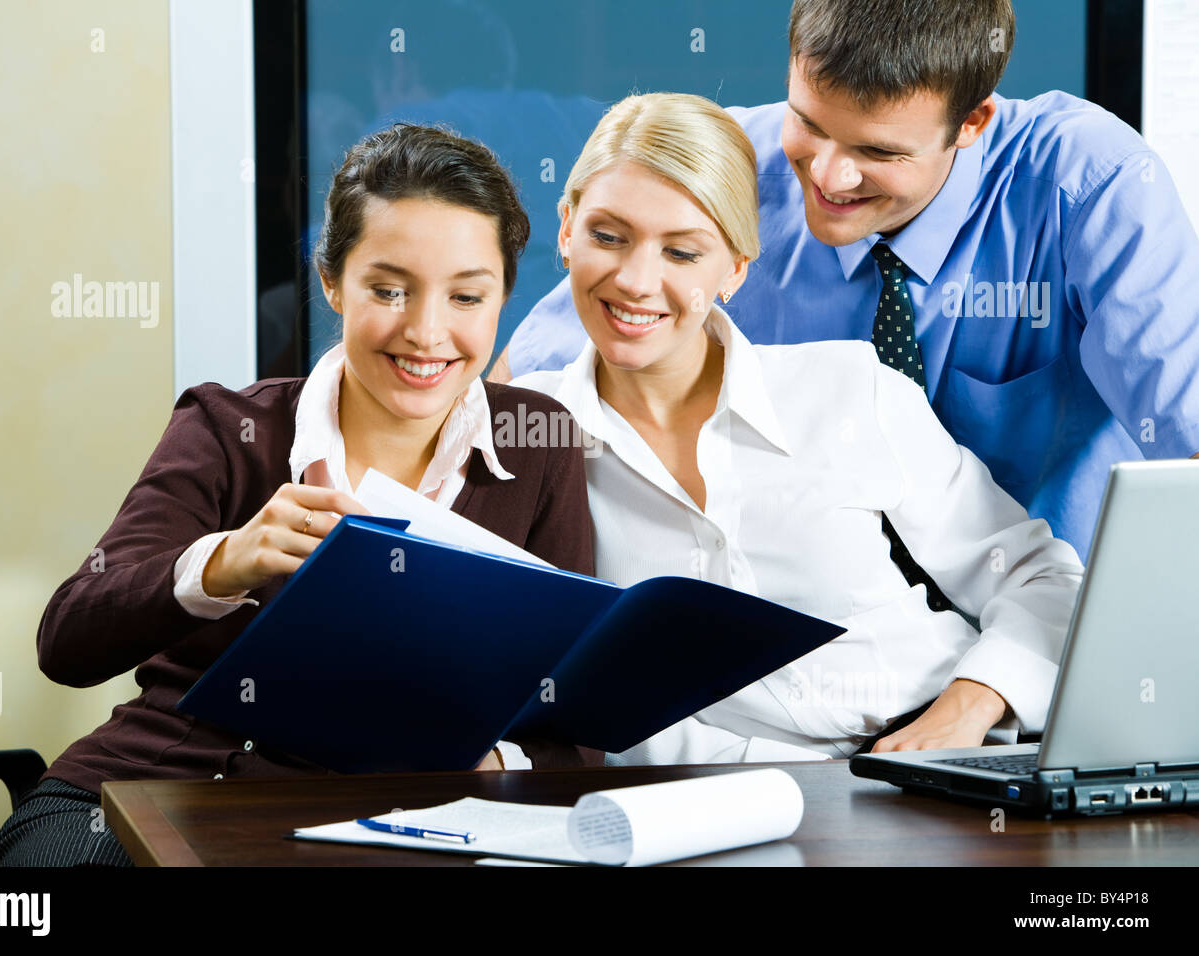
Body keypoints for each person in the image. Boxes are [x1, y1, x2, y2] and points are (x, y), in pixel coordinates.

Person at [0, 124, 596, 866]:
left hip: (380, 826)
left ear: (502, 296)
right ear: (332, 280)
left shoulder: (539, 443)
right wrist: (224, 563)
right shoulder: (226, 426)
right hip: (149, 795)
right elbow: (68, 639)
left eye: (466, 295)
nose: (427, 331)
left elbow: (571, 728)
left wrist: (493, 764)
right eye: (388, 289)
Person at [493, 0, 1199, 567]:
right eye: (807, 124)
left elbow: (1188, 447)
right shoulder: (733, 173)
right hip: (821, 643)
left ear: (973, 122)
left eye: (877, 150)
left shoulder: (1089, 185)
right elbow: (521, 392)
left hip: (1049, 636)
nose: (827, 178)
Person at [512, 91, 1085, 765]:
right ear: (567, 229)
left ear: (735, 268)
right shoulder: (519, 435)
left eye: (683, 253)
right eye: (608, 236)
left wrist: (969, 705)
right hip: (723, 801)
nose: (637, 280)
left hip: (949, 762)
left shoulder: (850, 388)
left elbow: (1039, 577)